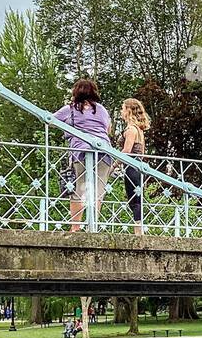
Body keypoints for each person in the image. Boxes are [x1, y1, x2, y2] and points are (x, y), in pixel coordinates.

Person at [54, 79, 113, 232]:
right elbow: (107, 128)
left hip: (81, 151)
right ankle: (92, 227)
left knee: (79, 189)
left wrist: (68, 127)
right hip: (104, 152)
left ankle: (75, 227)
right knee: (98, 191)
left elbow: (50, 120)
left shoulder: (71, 109)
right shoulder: (101, 109)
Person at [119, 98, 151, 236]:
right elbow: (141, 152)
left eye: (123, 108)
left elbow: (126, 151)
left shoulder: (131, 129)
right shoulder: (139, 130)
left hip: (131, 167)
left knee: (134, 199)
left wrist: (114, 164)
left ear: (128, 111)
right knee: (136, 197)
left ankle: (138, 231)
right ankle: (138, 229)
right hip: (137, 166)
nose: (121, 111)